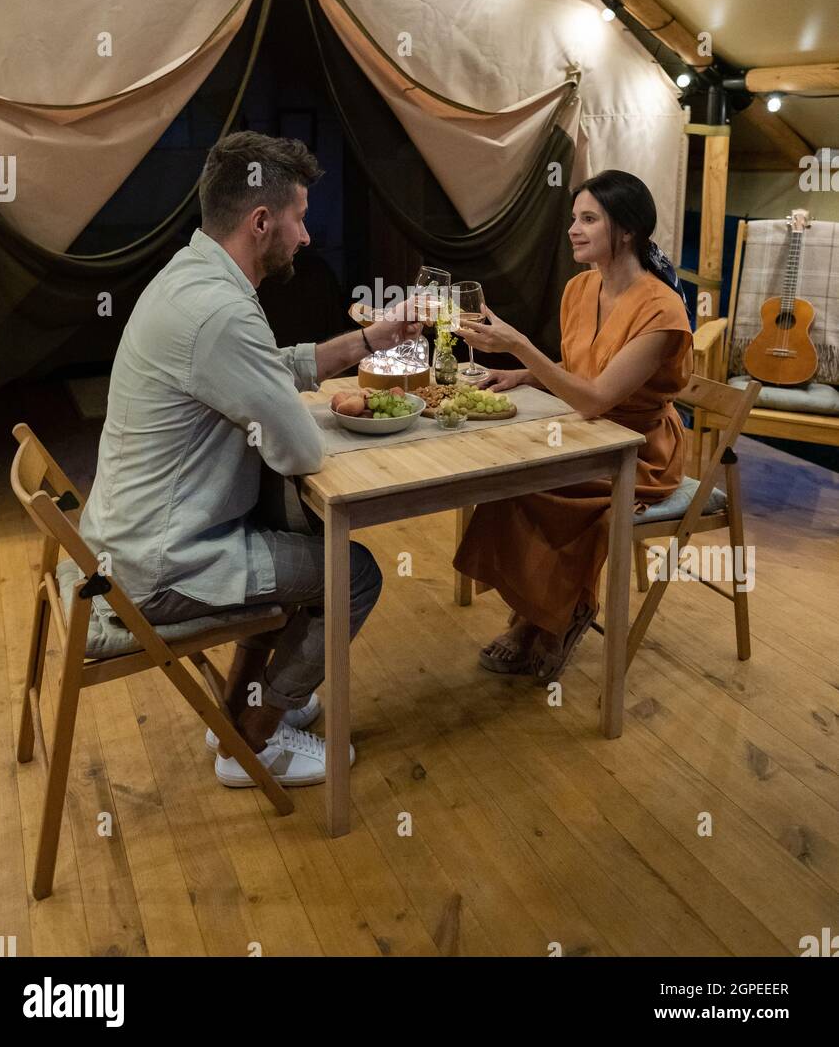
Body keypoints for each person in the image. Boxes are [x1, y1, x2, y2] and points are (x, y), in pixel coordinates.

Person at [81, 132, 420, 786]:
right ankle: (254, 742)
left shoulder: (189, 276)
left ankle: (249, 701)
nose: (307, 238)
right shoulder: (220, 311)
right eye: (300, 218)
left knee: (294, 533)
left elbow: (266, 369)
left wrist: (370, 339)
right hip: (161, 566)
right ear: (262, 221)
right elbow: (298, 448)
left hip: (126, 541)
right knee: (350, 573)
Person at [453, 169, 693, 682]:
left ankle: (559, 618)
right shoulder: (580, 289)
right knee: (505, 475)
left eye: (588, 219)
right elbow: (579, 378)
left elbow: (597, 399)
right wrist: (518, 375)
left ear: (625, 231)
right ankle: (534, 616)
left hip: (638, 449)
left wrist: (520, 346)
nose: (573, 230)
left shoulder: (662, 309)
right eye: (573, 218)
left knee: (541, 489)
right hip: (588, 433)